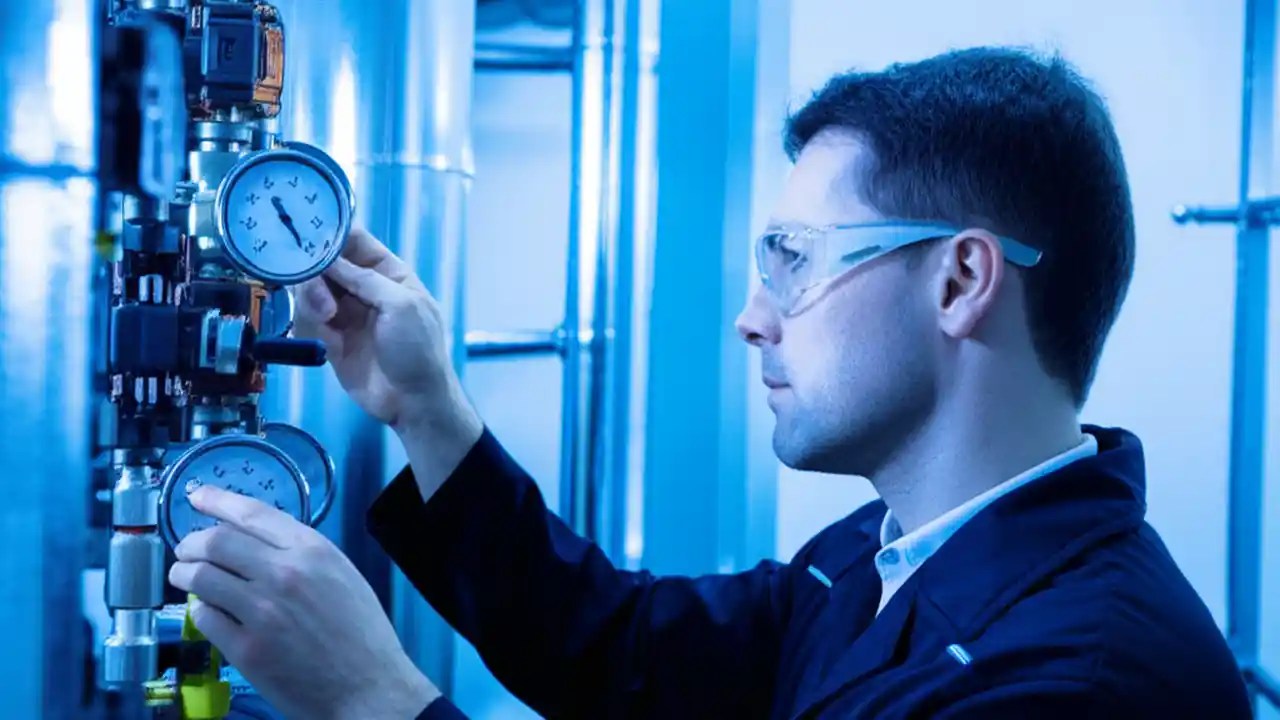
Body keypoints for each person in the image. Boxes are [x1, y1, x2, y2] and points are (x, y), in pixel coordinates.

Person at [168, 47, 1252, 719]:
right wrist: (428, 409)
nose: (751, 316)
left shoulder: (1070, 683)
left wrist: (374, 701)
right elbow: (624, 655)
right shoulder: (888, 555)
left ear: (959, 278)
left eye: (792, 258)